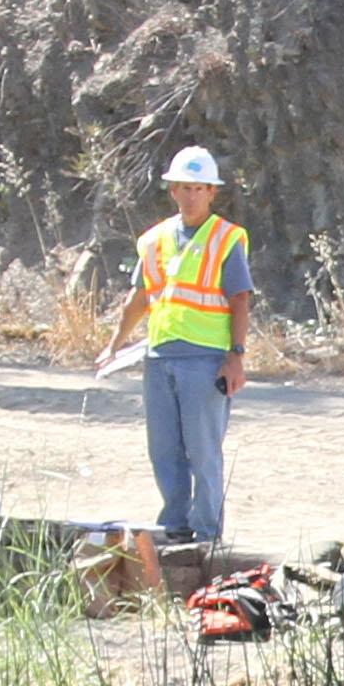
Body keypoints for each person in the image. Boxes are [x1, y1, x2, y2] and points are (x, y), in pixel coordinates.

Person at [101, 145, 251, 546]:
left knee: (203, 450)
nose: (191, 195)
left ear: (212, 192)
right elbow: (139, 297)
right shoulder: (155, 240)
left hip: (205, 359)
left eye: (199, 188)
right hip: (160, 355)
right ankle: (175, 525)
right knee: (164, 449)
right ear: (172, 190)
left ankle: (207, 533)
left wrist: (235, 357)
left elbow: (240, 300)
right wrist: (115, 344)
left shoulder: (226, 239)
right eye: (184, 187)